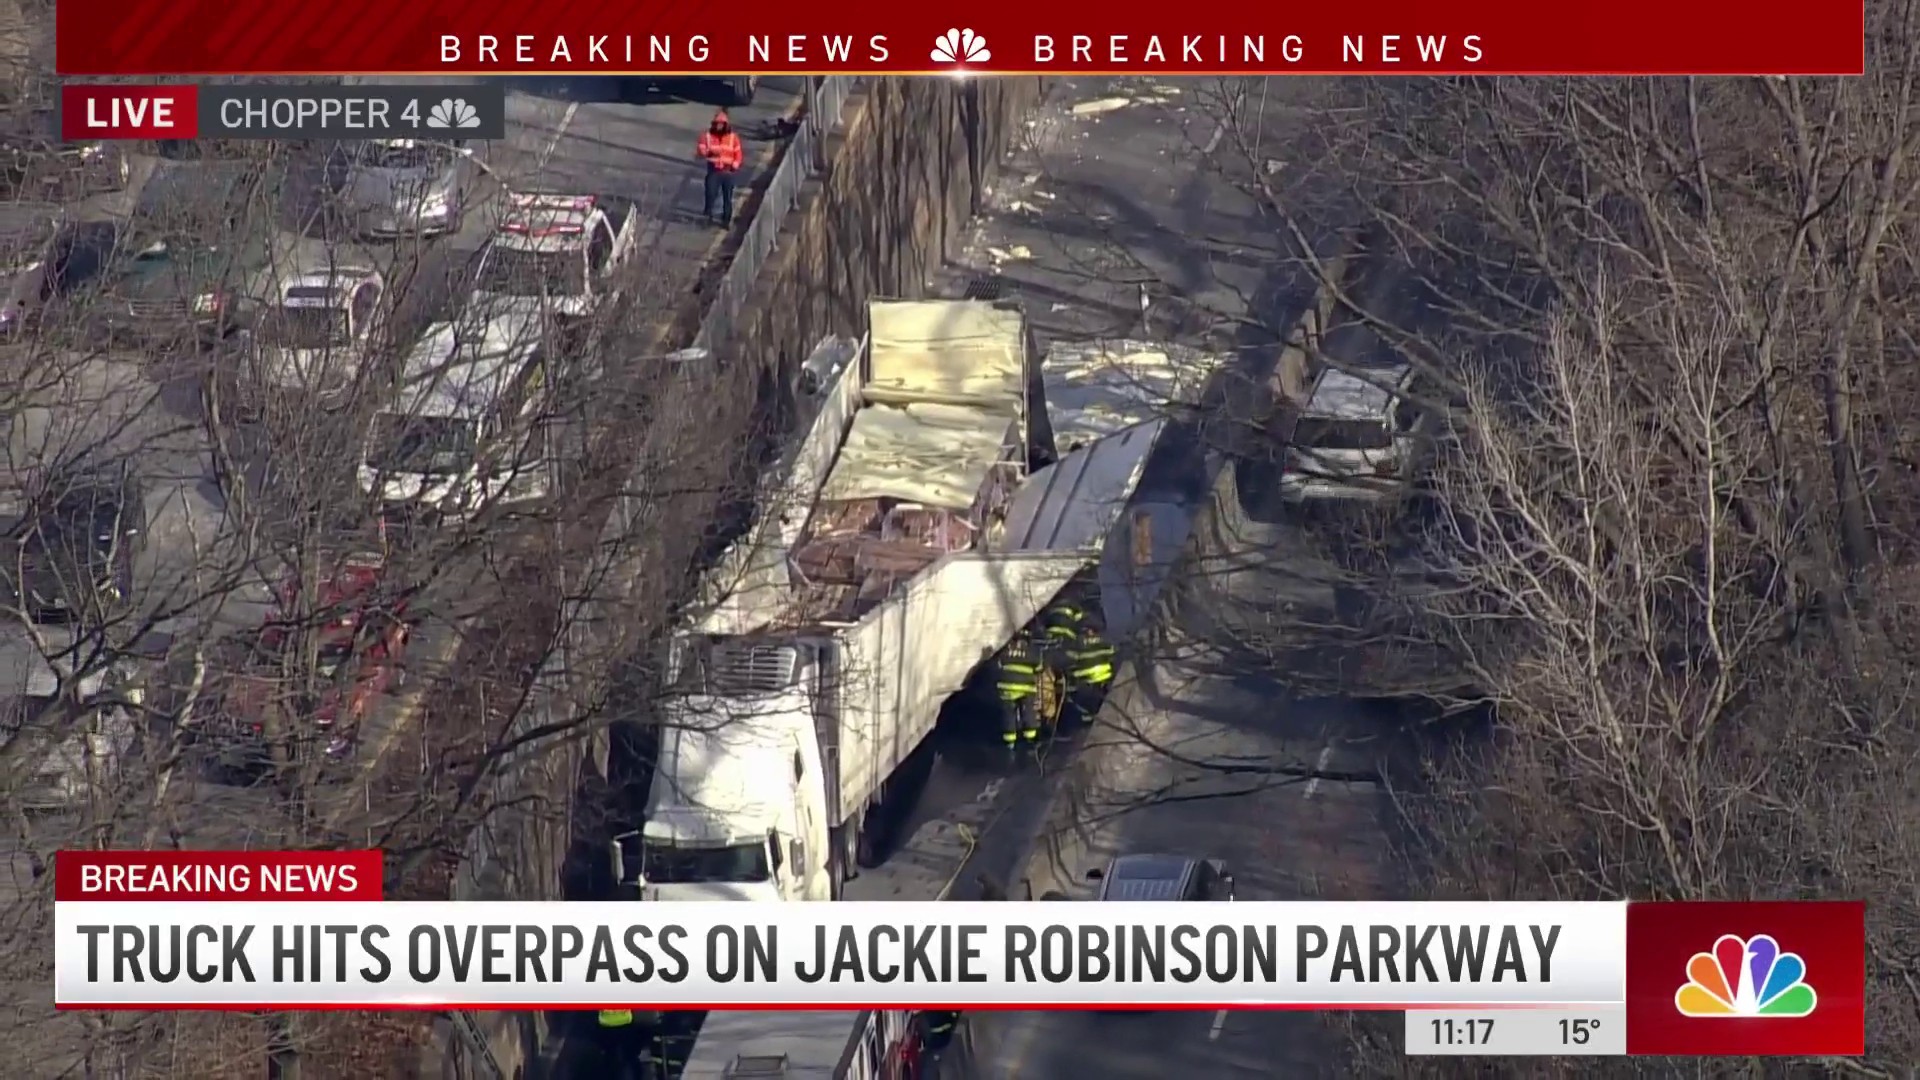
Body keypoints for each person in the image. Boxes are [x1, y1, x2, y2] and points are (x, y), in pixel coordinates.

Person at [992, 629, 1043, 750]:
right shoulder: (1031, 651)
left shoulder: (1004, 650)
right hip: (1025, 687)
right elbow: (1039, 667)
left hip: (1006, 687)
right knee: (1028, 711)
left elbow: (996, 665)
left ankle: (1010, 743)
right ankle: (1030, 740)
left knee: (1008, 714)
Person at [1063, 613, 1116, 724]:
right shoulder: (1103, 639)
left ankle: (1086, 723)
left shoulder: (1078, 642)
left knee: (1082, 703)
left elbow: (1069, 658)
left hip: (1086, 681)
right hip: (1104, 677)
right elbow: (1111, 652)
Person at [695, 110, 744, 228]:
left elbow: (738, 154)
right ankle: (708, 217)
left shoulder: (733, 138)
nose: (719, 126)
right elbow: (700, 151)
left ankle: (726, 220)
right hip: (714, 171)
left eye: (722, 124)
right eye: (717, 124)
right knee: (710, 194)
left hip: (728, 171)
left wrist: (735, 165)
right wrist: (710, 152)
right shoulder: (706, 136)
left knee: (727, 197)